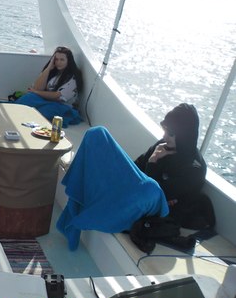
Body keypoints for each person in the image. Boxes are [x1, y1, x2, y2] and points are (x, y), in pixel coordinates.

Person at [56, 103, 207, 251]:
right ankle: (75, 208)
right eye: (165, 131)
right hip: (137, 192)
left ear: (184, 136)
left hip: (155, 208)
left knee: (151, 188)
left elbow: (160, 195)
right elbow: (136, 167)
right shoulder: (162, 145)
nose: (164, 136)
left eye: (170, 134)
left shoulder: (195, 169)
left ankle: (80, 221)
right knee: (96, 133)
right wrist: (148, 163)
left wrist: (153, 163)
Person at [11, 46, 83, 124]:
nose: (58, 62)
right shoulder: (54, 73)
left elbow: (57, 96)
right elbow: (37, 88)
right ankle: (13, 112)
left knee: (42, 110)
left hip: (61, 106)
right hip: (47, 100)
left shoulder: (73, 77)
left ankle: (21, 119)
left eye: (62, 60)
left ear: (68, 61)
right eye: (56, 59)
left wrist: (36, 92)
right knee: (29, 97)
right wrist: (48, 68)